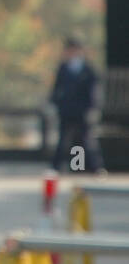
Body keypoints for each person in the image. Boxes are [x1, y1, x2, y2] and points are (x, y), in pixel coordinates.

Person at [47, 34, 105, 174]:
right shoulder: (63, 68)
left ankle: (93, 167)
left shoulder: (88, 70)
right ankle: (57, 167)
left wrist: (93, 108)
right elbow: (56, 88)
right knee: (63, 139)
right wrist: (54, 103)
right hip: (66, 109)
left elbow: (93, 91)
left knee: (87, 139)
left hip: (82, 109)